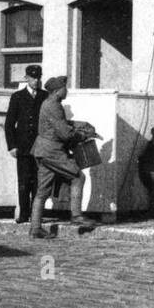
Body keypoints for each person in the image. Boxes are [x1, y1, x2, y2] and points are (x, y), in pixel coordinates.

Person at [29, 76, 98, 238]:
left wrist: (76, 125)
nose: (66, 90)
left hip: (42, 151)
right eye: (64, 88)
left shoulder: (49, 104)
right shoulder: (54, 105)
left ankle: (35, 228)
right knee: (78, 177)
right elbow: (65, 134)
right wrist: (83, 135)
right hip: (53, 151)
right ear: (57, 90)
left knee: (42, 191)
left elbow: (61, 124)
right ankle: (76, 216)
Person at [4, 64, 48, 224]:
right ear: (26, 78)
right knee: (23, 181)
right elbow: (9, 124)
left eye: (38, 78)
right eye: (33, 78)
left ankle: (36, 215)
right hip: (22, 147)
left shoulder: (45, 96)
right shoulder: (17, 97)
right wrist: (12, 146)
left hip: (40, 147)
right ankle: (24, 213)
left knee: (38, 181)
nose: (36, 81)